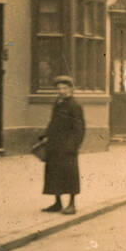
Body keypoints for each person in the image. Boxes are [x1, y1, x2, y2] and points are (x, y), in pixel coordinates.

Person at [41, 74, 84, 214]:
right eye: (59, 88)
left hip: (67, 147)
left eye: (64, 88)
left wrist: (72, 146)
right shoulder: (58, 103)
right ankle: (57, 203)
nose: (61, 91)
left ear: (70, 89)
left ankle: (72, 204)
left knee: (69, 175)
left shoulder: (75, 105)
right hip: (54, 145)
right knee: (53, 174)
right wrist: (45, 135)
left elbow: (79, 128)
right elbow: (53, 122)